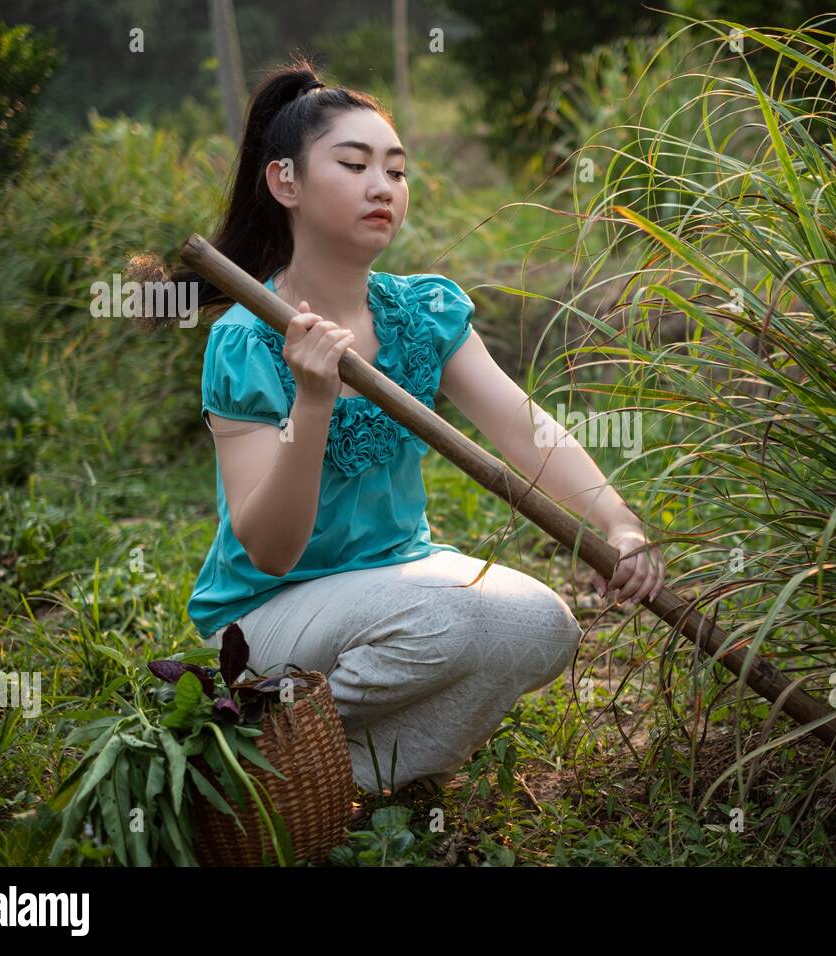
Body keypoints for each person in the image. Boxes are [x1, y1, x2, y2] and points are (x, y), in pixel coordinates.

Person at [128, 57, 665, 799]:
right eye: (354, 165)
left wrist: (615, 519)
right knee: (442, 621)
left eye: (397, 170)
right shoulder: (248, 342)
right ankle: (243, 736)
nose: (384, 186)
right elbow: (272, 549)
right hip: (267, 615)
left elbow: (524, 428)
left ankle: (328, 778)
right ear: (285, 182)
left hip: (396, 583)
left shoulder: (422, 313)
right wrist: (312, 403)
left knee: (545, 626)